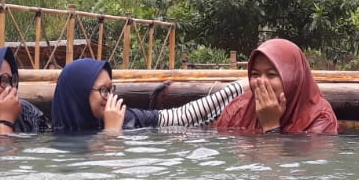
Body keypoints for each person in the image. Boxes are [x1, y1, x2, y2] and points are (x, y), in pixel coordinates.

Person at [51, 57, 245, 133]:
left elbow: (180, 116)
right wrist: (111, 134)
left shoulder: (124, 118)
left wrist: (243, 85)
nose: (109, 98)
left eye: (111, 90)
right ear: (79, 95)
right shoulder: (50, 136)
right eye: (103, 90)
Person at [215, 38, 338, 135]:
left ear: (293, 79)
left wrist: (270, 126)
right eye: (255, 74)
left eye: (271, 75)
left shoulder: (320, 118)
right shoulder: (237, 110)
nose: (261, 82)